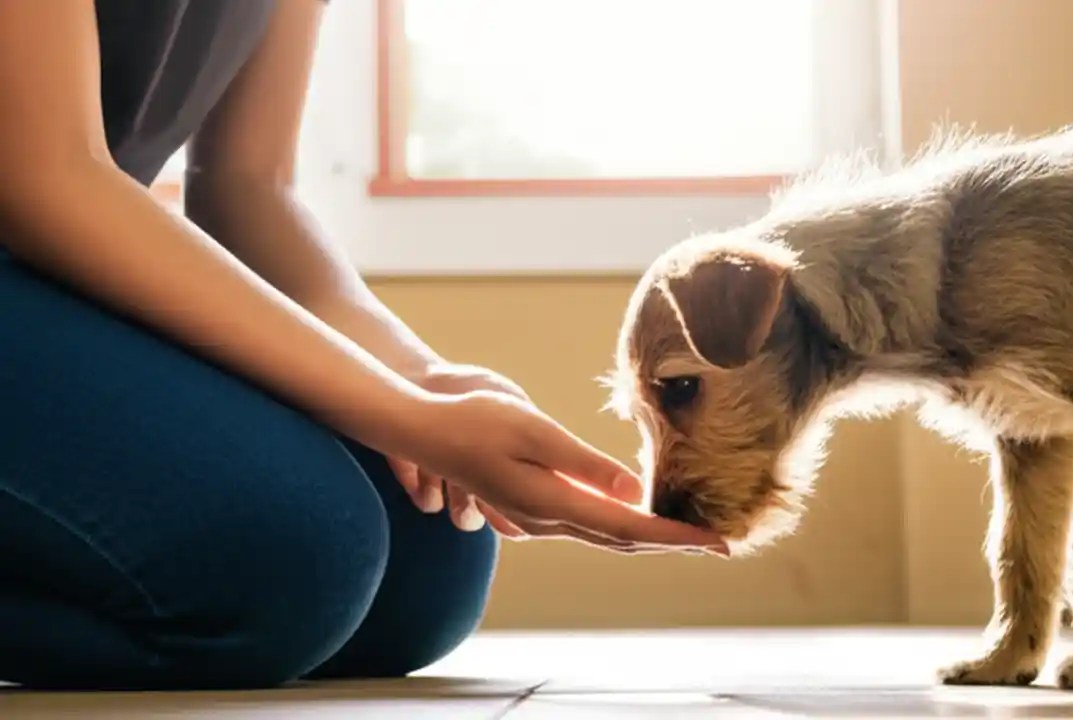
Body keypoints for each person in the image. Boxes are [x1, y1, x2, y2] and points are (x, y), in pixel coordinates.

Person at [0, 0, 724, 691]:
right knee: (292, 566)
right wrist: (402, 415)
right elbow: (46, 176)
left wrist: (421, 379)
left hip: (45, 284)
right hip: (31, 243)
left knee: (428, 568)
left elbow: (246, 187)